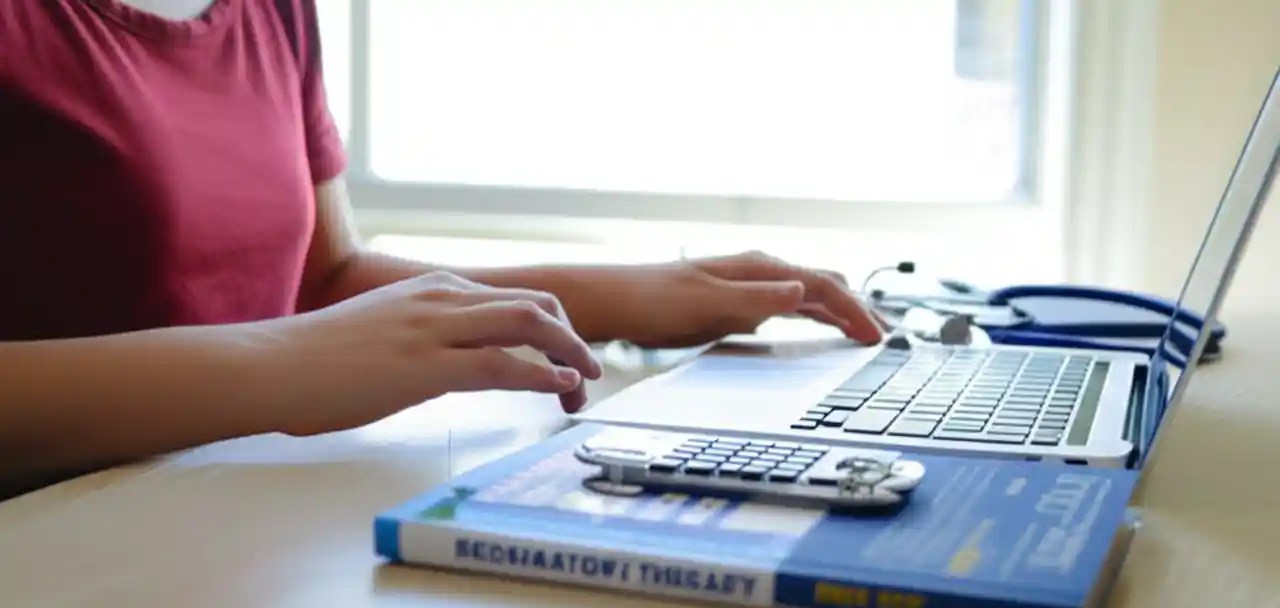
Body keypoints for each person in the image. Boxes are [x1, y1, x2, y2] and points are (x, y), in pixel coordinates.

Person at [0, 0, 881, 497]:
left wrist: (632, 294)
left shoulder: (274, 11)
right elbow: (302, 333)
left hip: (228, 513)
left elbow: (322, 277)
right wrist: (279, 365)